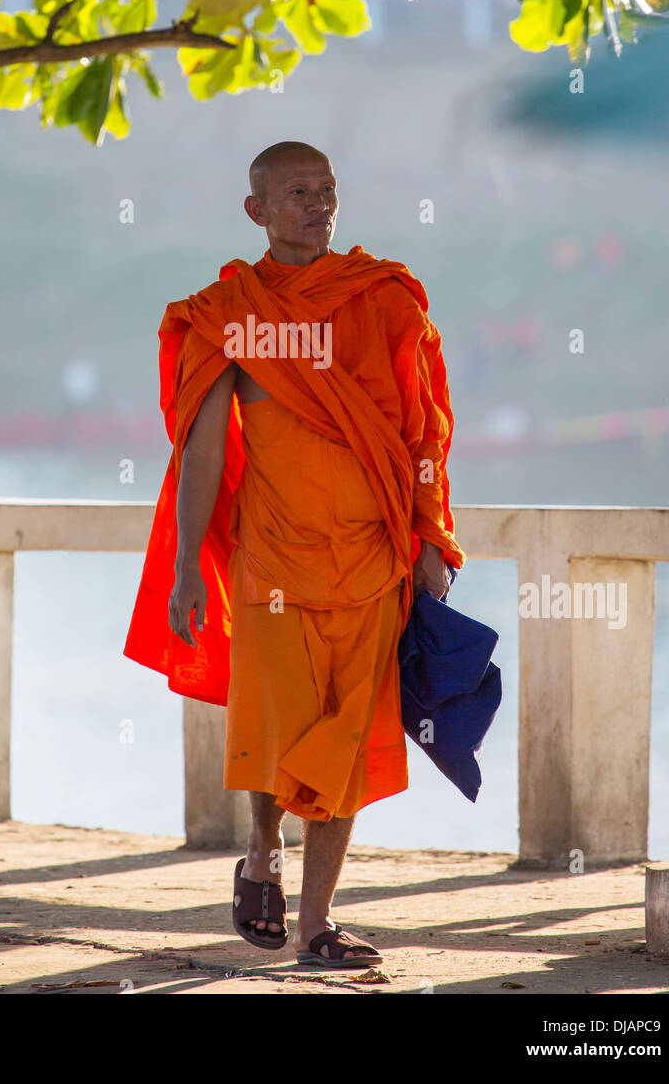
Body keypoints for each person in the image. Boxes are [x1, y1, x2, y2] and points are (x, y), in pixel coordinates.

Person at [124, 140, 465, 968]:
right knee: (281, 735)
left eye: (327, 191)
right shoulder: (229, 316)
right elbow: (203, 454)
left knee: (346, 743)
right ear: (257, 211)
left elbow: (423, 433)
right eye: (298, 192)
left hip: (374, 556)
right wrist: (182, 574)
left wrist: (430, 537)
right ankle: (260, 847)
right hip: (272, 562)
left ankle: (317, 924)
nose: (318, 205)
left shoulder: (382, 300)